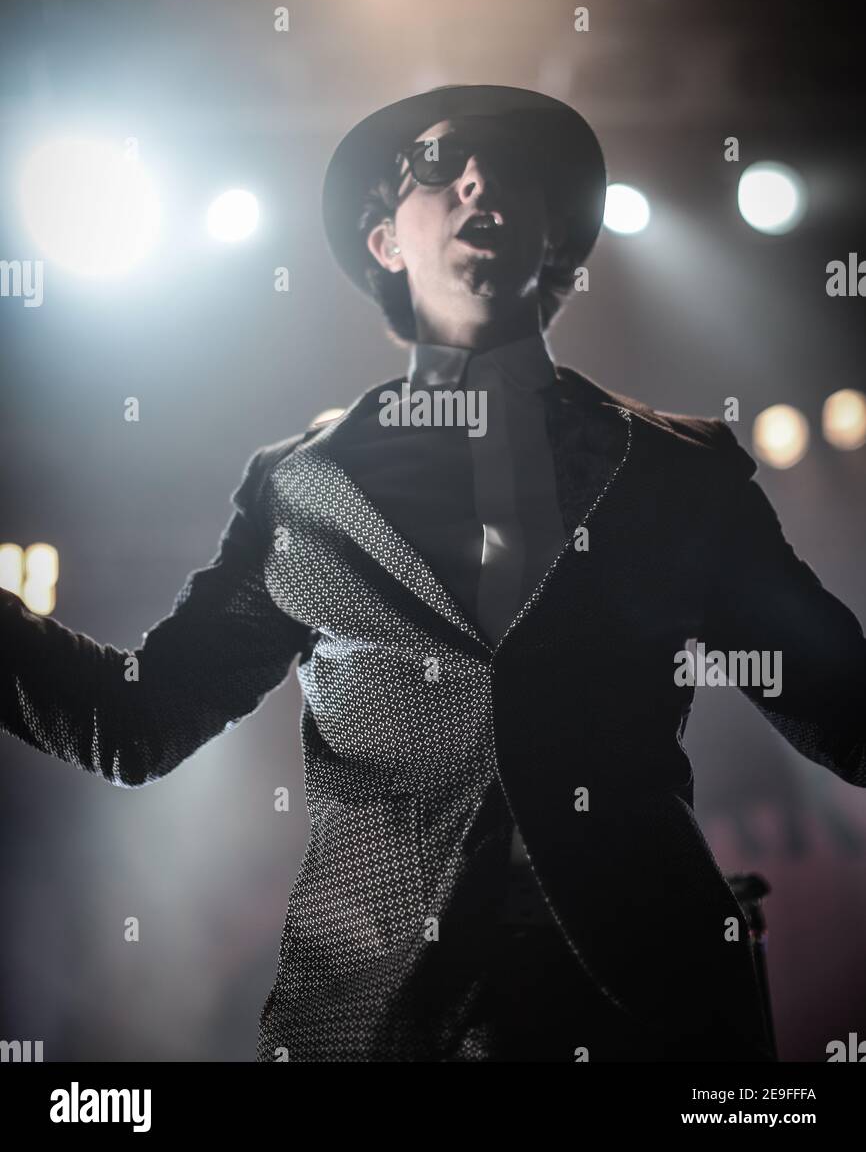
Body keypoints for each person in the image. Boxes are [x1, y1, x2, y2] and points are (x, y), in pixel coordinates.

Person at [2, 84, 864, 1064]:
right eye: (434, 165)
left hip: (645, 1022)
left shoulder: (675, 474)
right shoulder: (299, 491)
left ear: (554, 246)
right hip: (375, 1023)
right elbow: (136, 721)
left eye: (509, 168)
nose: (476, 178)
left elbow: (845, 707)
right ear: (384, 244)